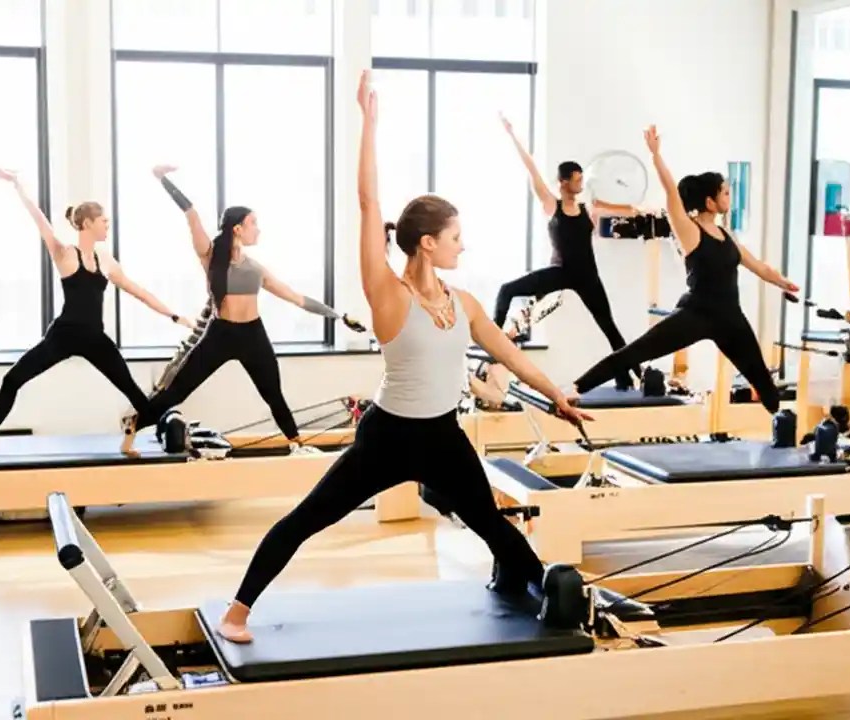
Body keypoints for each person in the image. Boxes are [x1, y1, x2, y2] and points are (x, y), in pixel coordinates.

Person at [213, 70, 594, 643]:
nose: (464, 245)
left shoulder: (464, 303)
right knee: (310, 517)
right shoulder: (388, 294)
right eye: (456, 237)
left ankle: (548, 596)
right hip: (387, 437)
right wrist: (368, 125)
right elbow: (369, 202)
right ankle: (237, 611)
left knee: (490, 522)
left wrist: (557, 396)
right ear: (428, 243)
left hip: (444, 436)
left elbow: (512, 357)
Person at [137, 165, 366, 454]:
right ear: (237, 228)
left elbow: (296, 297)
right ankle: (133, 428)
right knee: (177, 391)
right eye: (253, 223)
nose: (258, 229)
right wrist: (163, 179)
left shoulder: (256, 269)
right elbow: (191, 213)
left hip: (252, 335)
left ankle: (297, 445)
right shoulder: (210, 256)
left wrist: (338, 316)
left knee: (273, 395)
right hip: (219, 334)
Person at [569, 126, 799, 414]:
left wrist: (783, 283)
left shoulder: (726, 235)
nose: (729, 196)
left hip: (730, 318)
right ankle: (575, 388)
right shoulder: (690, 231)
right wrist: (656, 155)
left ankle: (781, 426)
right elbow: (671, 193)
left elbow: (759, 266)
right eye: (725, 192)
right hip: (695, 315)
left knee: (764, 382)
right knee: (634, 353)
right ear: (709, 202)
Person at [0, 167, 192, 452]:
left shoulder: (106, 260)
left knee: (137, 396)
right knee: (12, 379)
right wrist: (18, 184)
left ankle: (134, 431)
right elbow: (39, 219)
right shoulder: (65, 254)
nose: (107, 225)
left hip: (94, 339)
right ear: (87, 223)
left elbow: (138, 291)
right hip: (63, 335)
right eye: (103, 220)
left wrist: (174, 315)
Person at [492, 113, 643, 389]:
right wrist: (513, 135)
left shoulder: (589, 209)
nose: (581, 184)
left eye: (582, 179)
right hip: (560, 272)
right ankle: (495, 344)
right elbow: (531, 170)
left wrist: (642, 211)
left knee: (609, 327)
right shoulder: (552, 205)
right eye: (576, 180)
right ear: (563, 182)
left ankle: (633, 376)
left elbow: (626, 209)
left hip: (588, 277)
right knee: (506, 290)